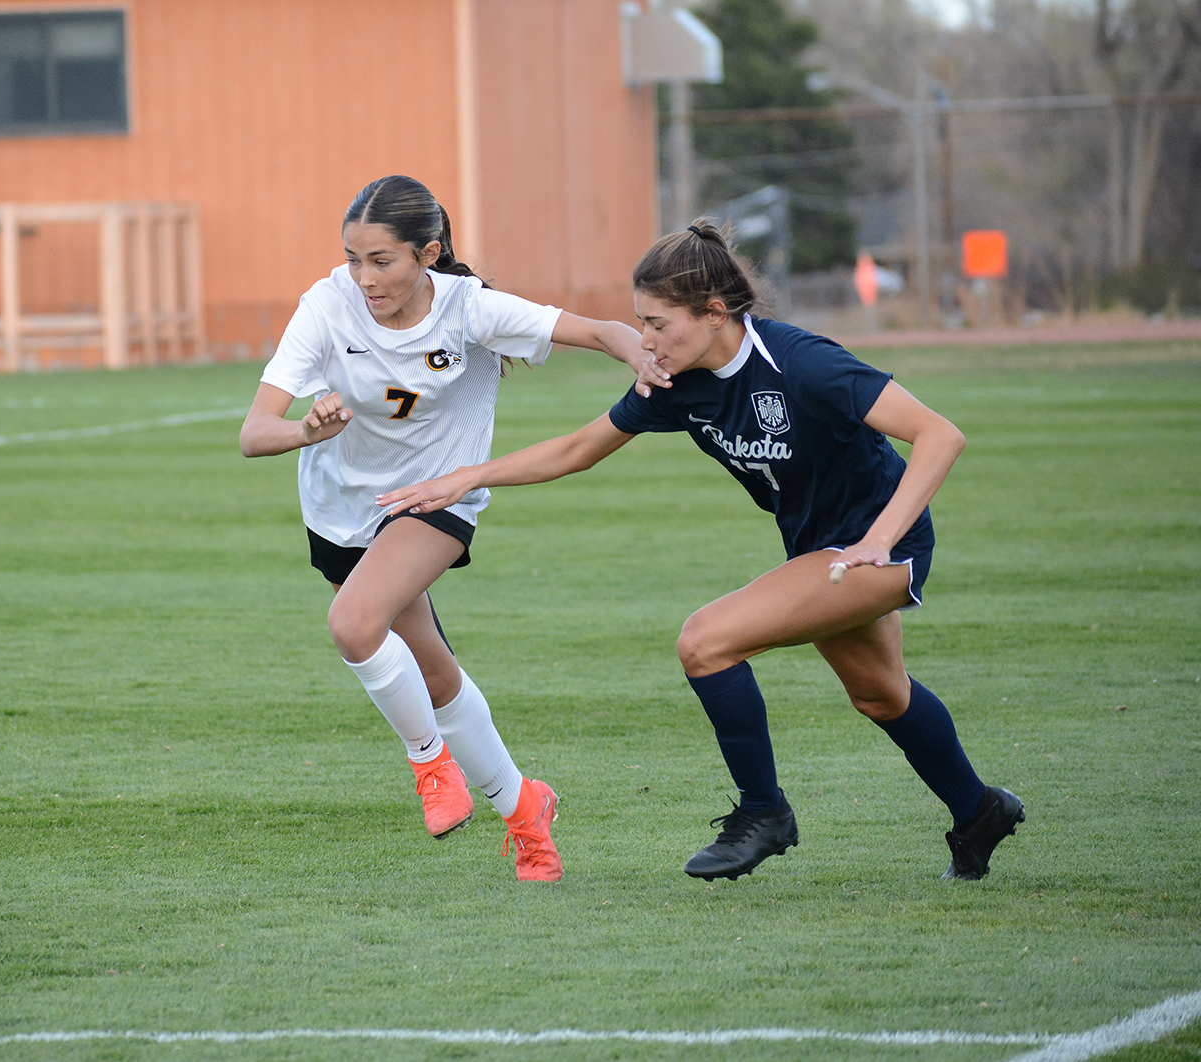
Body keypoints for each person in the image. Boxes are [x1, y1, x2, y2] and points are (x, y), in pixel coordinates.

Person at [379, 220, 1025, 882]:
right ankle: (979, 812)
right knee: (882, 696)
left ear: (715, 313)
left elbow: (939, 435)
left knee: (706, 641)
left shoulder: (801, 363)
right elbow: (577, 449)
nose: (646, 341)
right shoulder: (677, 383)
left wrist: (880, 538)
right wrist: (465, 477)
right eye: (640, 323)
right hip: (816, 547)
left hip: (882, 546)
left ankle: (763, 813)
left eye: (659, 324)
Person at [240, 175, 659, 881]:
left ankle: (432, 766)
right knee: (432, 667)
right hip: (342, 508)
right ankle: (527, 810)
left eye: (382, 261)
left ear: (427, 253)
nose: (363, 277)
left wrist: (640, 352)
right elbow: (255, 433)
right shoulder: (326, 307)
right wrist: (306, 432)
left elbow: (595, 328)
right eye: (353, 259)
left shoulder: (472, 309)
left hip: (439, 497)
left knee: (353, 624)